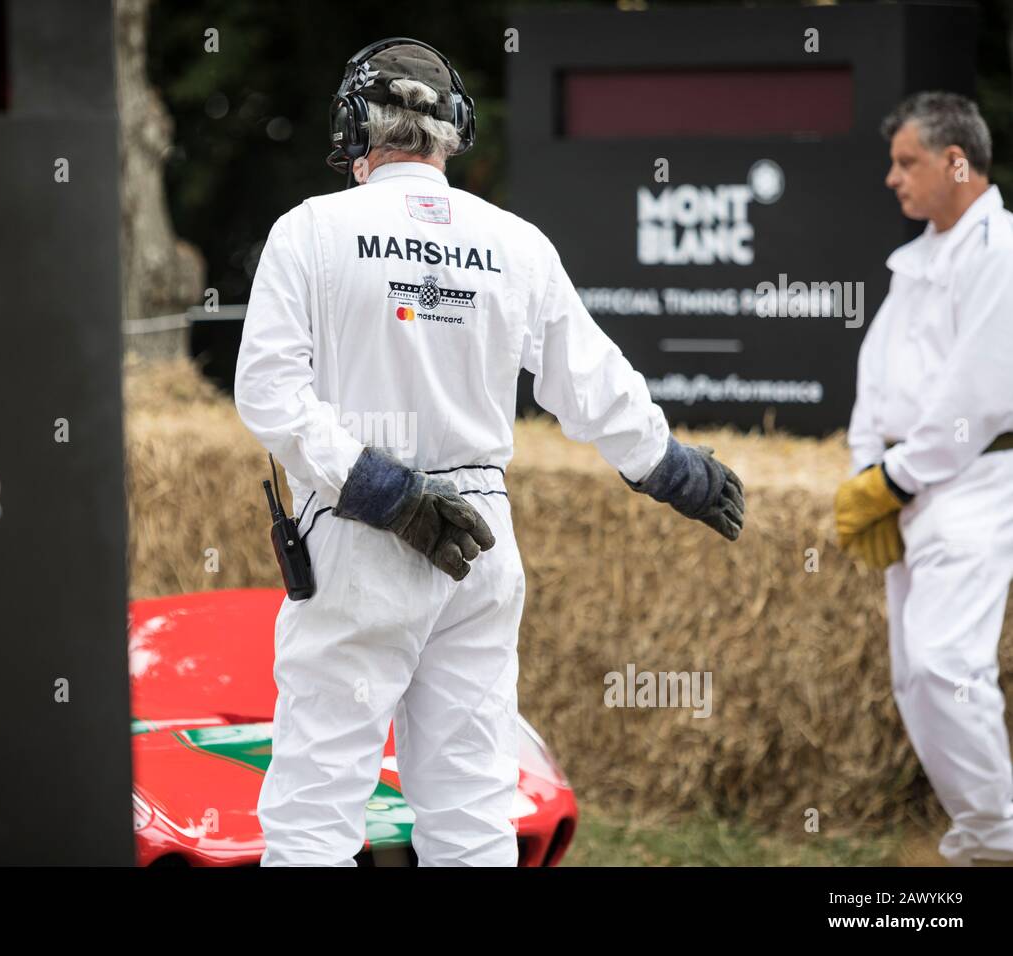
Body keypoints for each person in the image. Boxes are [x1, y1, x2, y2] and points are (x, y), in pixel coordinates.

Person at [234, 37, 745, 867]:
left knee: (316, 809)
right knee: (471, 808)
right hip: (481, 538)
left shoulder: (311, 231)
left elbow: (269, 397)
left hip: (362, 531)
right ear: (452, 132)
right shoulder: (515, 242)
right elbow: (595, 386)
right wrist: (674, 469)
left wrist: (389, 496)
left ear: (356, 129)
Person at [837, 91, 1013, 865]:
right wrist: (863, 475)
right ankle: (981, 838)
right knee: (915, 676)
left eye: (906, 162)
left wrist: (893, 479)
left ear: (956, 161)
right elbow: (877, 381)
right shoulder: (918, 260)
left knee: (948, 666)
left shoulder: (1001, 251)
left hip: (973, 480)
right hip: (909, 488)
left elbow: (977, 393)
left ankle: (997, 834)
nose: (891, 178)